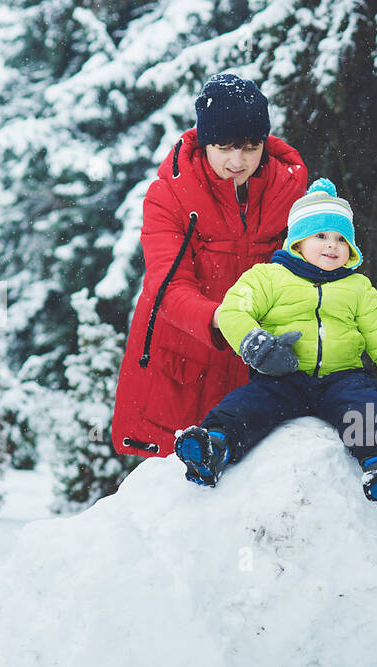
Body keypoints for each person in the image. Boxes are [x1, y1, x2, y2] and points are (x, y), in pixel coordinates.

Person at [175, 178, 377, 509]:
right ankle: (214, 449)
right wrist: (257, 346)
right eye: (321, 236)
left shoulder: (357, 287)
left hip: (344, 378)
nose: (332, 245)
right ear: (297, 242)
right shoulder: (268, 277)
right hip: (283, 375)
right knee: (248, 404)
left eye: (342, 239)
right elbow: (233, 311)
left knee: (369, 410)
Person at [113, 73, 309, 458]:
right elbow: (168, 287)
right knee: (178, 485)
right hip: (186, 363)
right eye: (225, 147)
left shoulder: (290, 192)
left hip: (259, 368)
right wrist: (228, 320)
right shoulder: (168, 195)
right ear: (205, 143)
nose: (238, 162)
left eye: (250, 148)